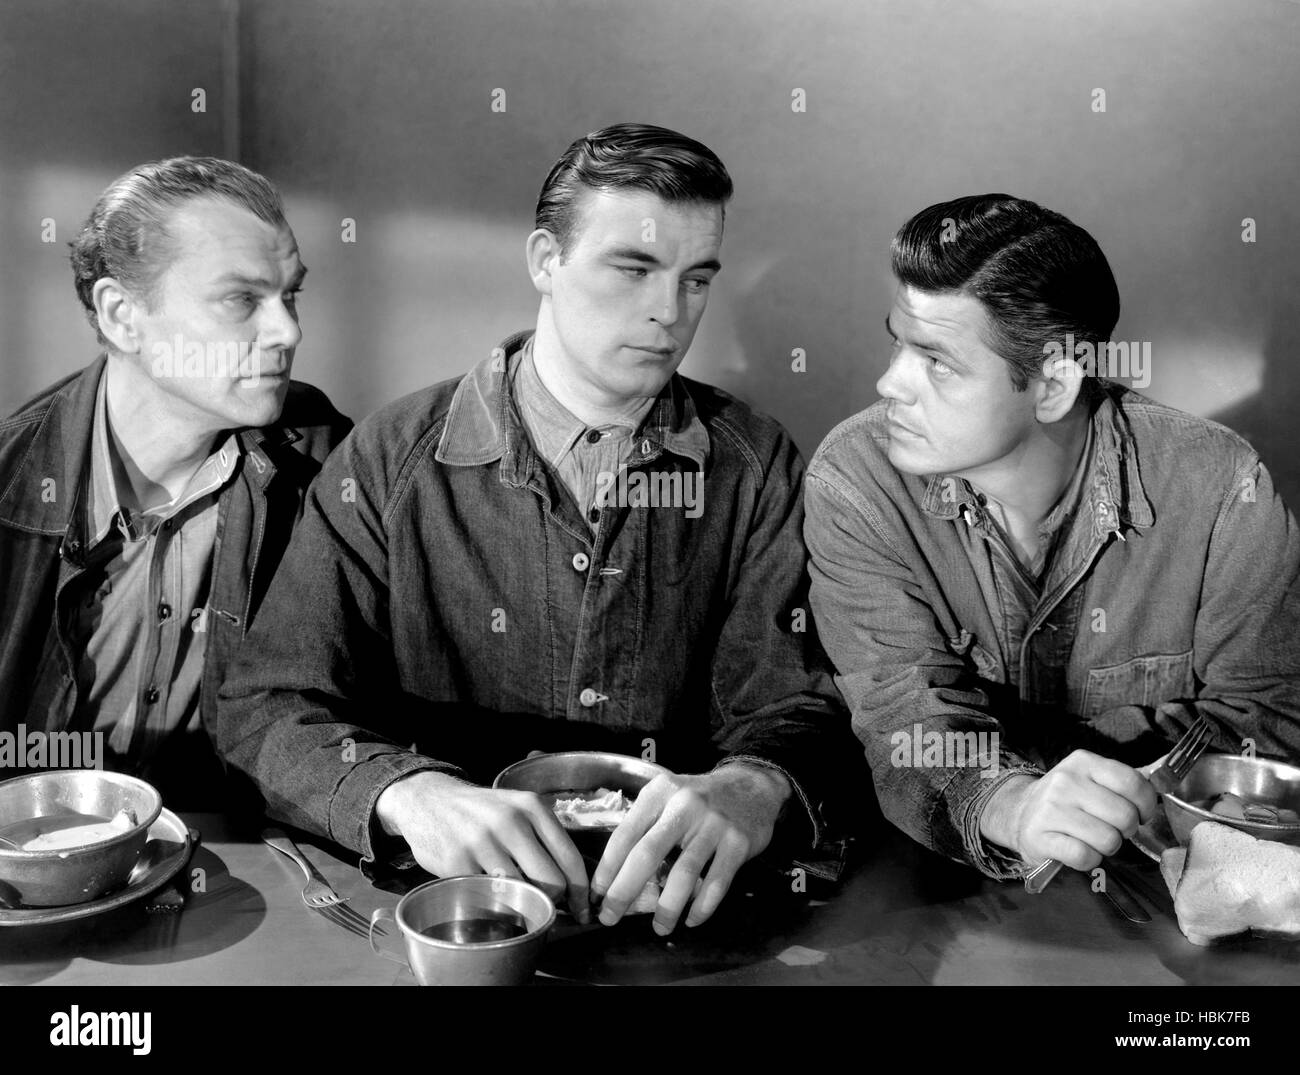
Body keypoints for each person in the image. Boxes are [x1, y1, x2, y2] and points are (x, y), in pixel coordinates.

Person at [216, 123, 846, 934]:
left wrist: (755, 785)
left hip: (674, 927)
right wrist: (407, 794)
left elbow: (799, 702)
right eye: (635, 268)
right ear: (545, 261)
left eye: (696, 280)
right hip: (439, 926)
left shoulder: (755, 465)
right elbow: (265, 705)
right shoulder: (386, 458)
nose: (669, 313)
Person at [805, 194, 1300, 881]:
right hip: (935, 899)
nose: (890, 381)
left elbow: (1270, 722)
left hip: (1169, 901)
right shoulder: (857, 478)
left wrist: (1103, 794)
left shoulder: (1220, 484)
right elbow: (901, 711)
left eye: (936, 361)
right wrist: (1013, 804)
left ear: (1053, 385)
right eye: (898, 341)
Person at [0, 157, 351, 806]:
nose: (288, 331)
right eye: (241, 299)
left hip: (243, 878)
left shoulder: (327, 463)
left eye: (290, 294)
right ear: (121, 314)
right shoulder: (11, 487)